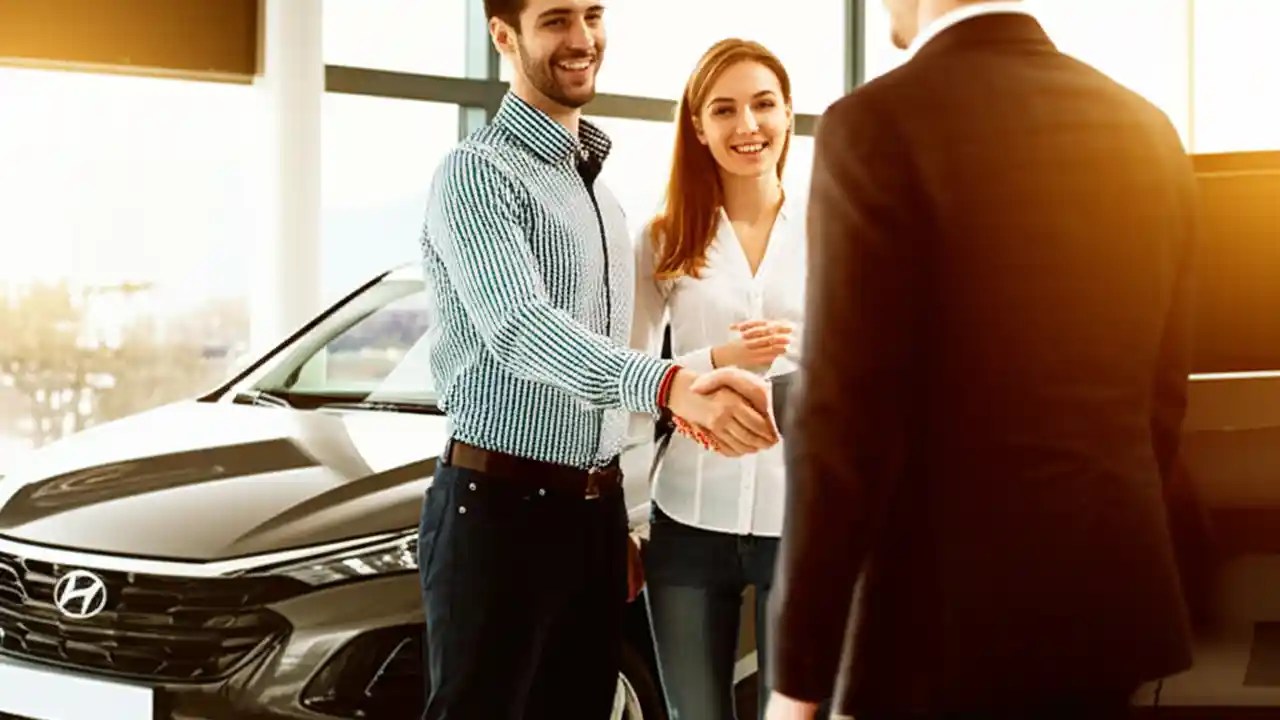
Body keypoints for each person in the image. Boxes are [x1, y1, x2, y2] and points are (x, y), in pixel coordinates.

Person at [757, 0, 1201, 718]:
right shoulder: (1145, 129)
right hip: (1105, 613)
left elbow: (844, 420)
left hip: (938, 632)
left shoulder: (876, 124)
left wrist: (798, 680)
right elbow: (1161, 400)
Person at [415, 1, 779, 718]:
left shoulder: (604, 201)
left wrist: (622, 519)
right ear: (502, 35)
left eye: (592, 14)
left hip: (593, 517)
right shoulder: (477, 173)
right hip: (498, 511)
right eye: (554, 20)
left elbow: (614, 363)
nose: (581, 39)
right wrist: (674, 383)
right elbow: (520, 328)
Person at [630, 38, 822, 720]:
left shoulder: (835, 229)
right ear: (698, 127)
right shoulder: (661, 239)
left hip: (801, 520)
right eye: (725, 109)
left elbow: (876, 370)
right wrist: (718, 359)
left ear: (789, 114)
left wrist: (802, 345)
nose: (748, 126)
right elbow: (631, 377)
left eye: (764, 104)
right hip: (685, 519)